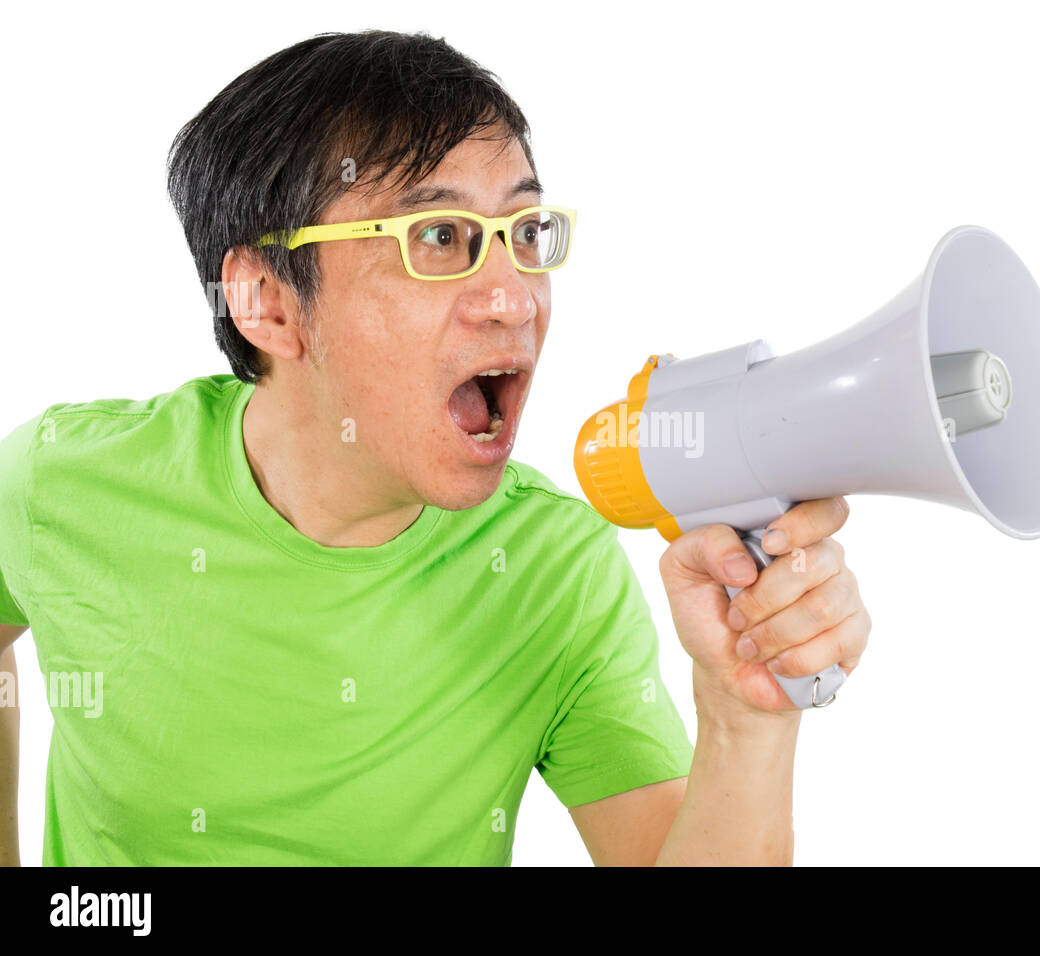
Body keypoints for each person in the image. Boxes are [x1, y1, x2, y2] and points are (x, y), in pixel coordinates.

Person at [0, 29, 869, 866]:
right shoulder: (61, 479)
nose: (513, 300)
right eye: (438, 238)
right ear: (266, 300)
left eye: (524, 234)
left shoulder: (551, 567)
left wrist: (744, 716)